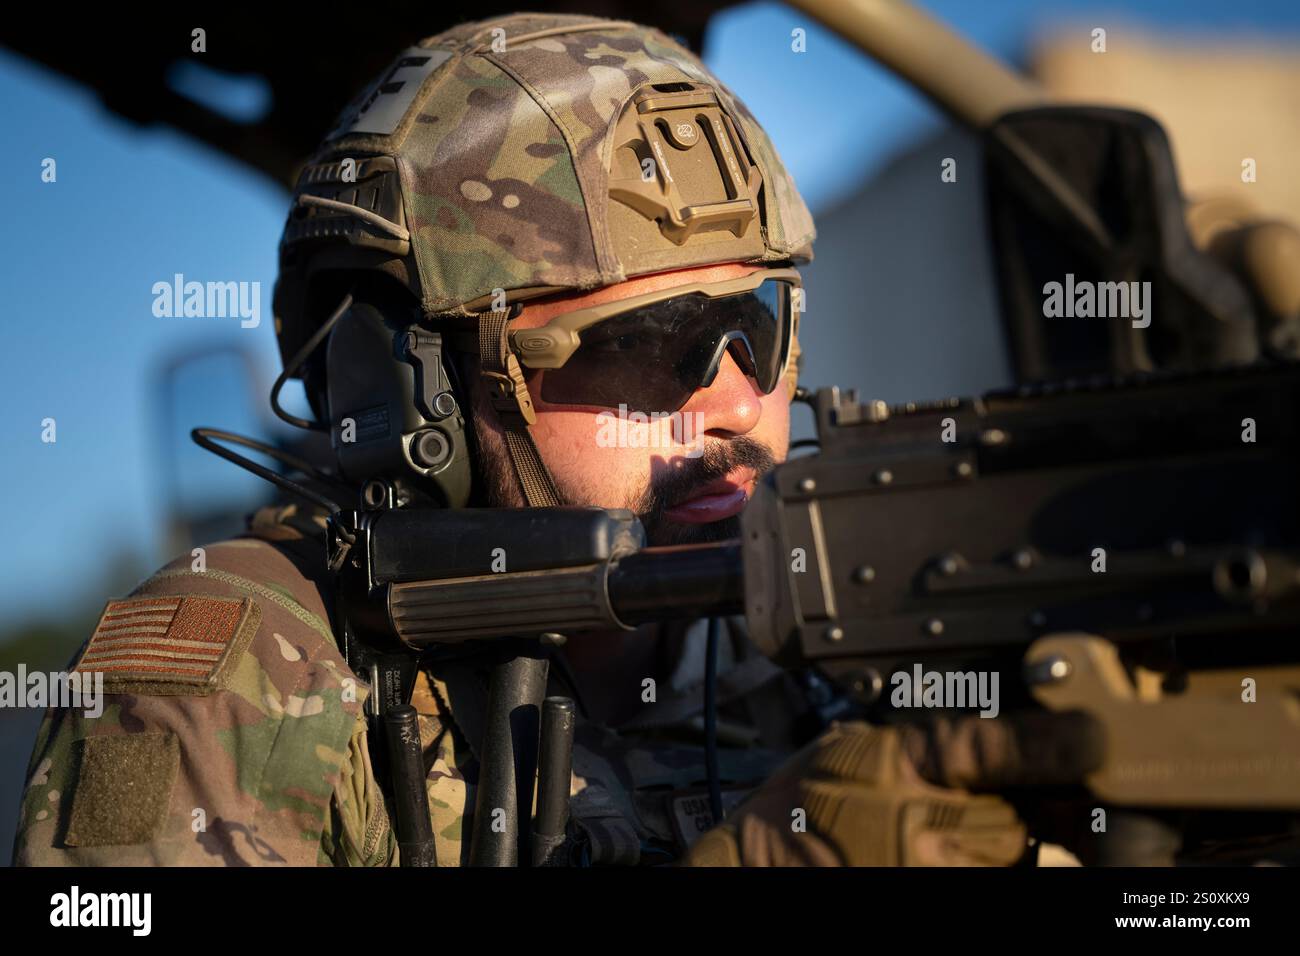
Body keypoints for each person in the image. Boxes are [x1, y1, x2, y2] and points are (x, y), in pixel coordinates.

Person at [12, 12, 1041, 868]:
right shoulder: (239, 674)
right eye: (644, 347)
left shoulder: (834, 632)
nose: (735, 403)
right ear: (411, 393)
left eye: (756, 327)